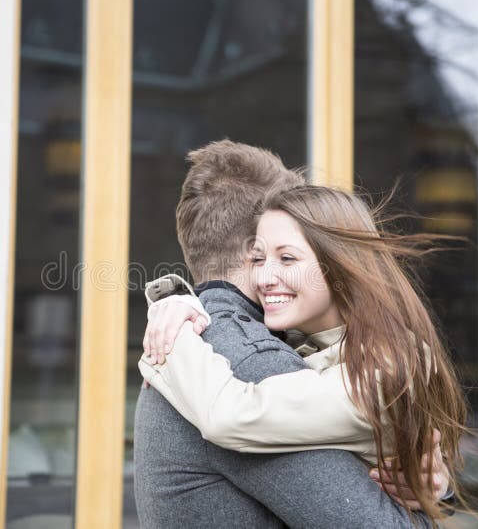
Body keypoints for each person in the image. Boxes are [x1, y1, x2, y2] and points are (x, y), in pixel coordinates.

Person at [133, 140, 444, 529]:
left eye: (287, 256)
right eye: (262, 258)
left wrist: (173, 318)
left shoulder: (211, 340)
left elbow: (234, 415)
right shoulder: (252, 358)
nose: (266, 275)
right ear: (251, 250)